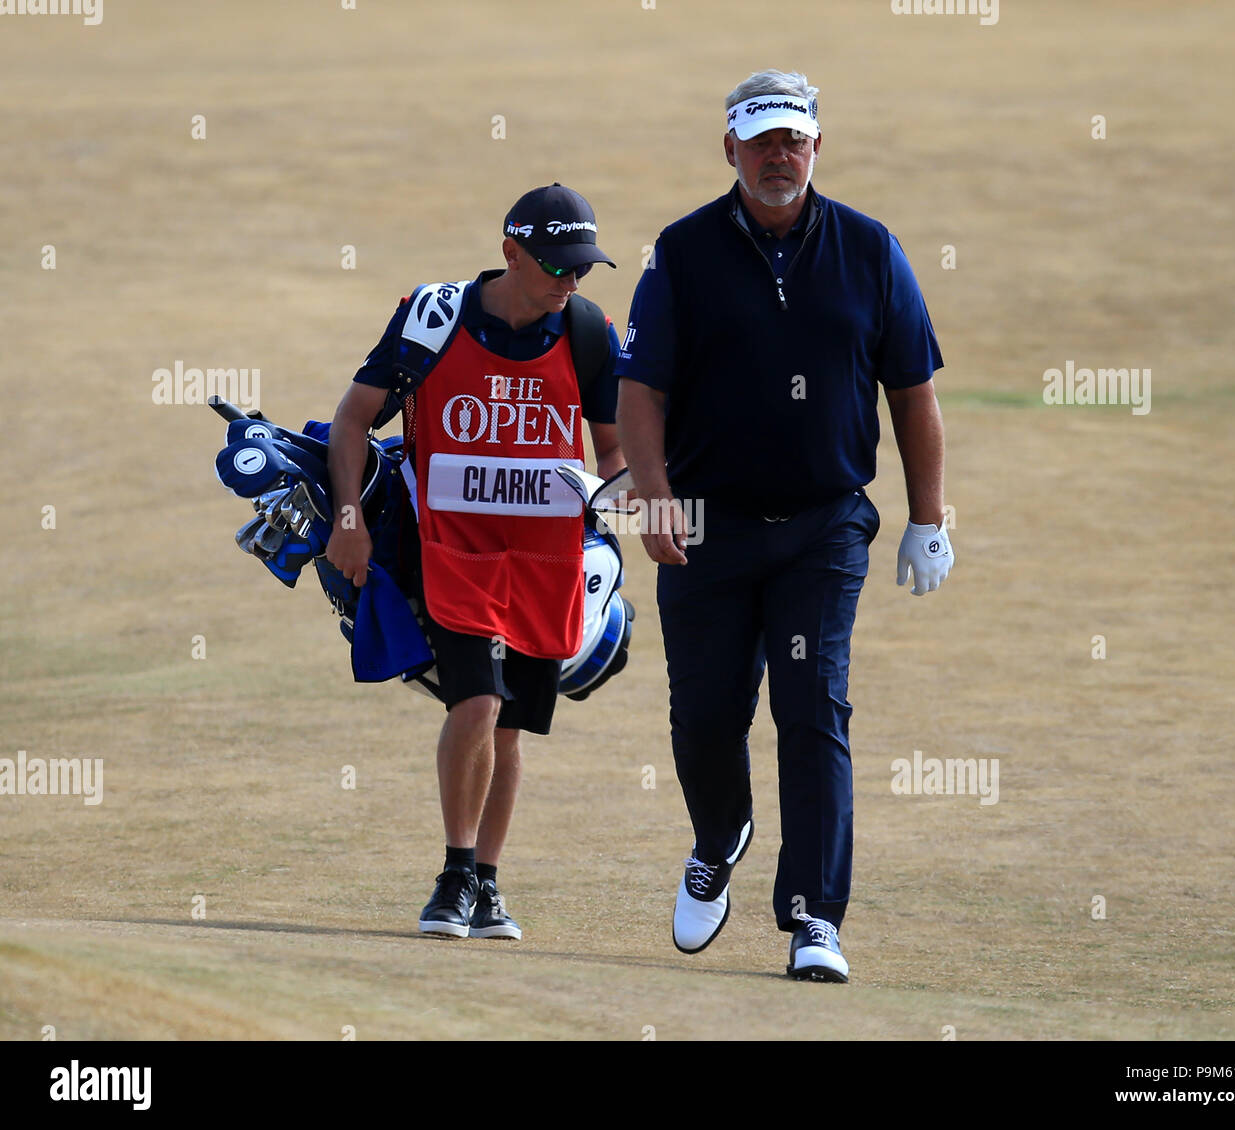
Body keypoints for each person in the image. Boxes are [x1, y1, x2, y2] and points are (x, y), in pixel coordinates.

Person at [616, 71, 954, 981]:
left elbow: (912, 389)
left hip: (824, 527)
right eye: (761, 141)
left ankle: (815, 920)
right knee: (706, 717)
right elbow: (640, 389)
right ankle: (720, 835)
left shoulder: (871, 250)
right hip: (707, 524)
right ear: (730, 148)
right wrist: (650, 496)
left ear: (817, 145)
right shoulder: (682, 253)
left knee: (813, 713)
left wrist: (929, 519)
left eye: (793, 139)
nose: (778, 156)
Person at [327, 183, 624, 940]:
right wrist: (350, 519)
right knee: (479, 702)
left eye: (582, 268)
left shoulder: (588, 331)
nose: (570, 282)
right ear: (510, 253)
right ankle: (455, 877)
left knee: (511, 727)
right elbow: (354, 419)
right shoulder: (433, 318)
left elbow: (615, 451)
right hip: (451, 552)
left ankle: (488, 886)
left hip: (547, 560)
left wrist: (617, 525)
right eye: (556, 266)